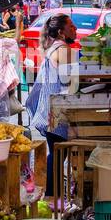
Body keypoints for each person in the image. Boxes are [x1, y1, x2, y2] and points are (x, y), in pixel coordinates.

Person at [25, 13, 78, 192]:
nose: (76, 29)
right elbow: (68, 80)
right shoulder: (63, 50)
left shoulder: (54, 48)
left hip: (50, 109)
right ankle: (50, 195)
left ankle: (50, 194)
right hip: (56, 111)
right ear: (62, 32)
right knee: (57, 154)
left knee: (56, 152)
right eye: (71, 26)